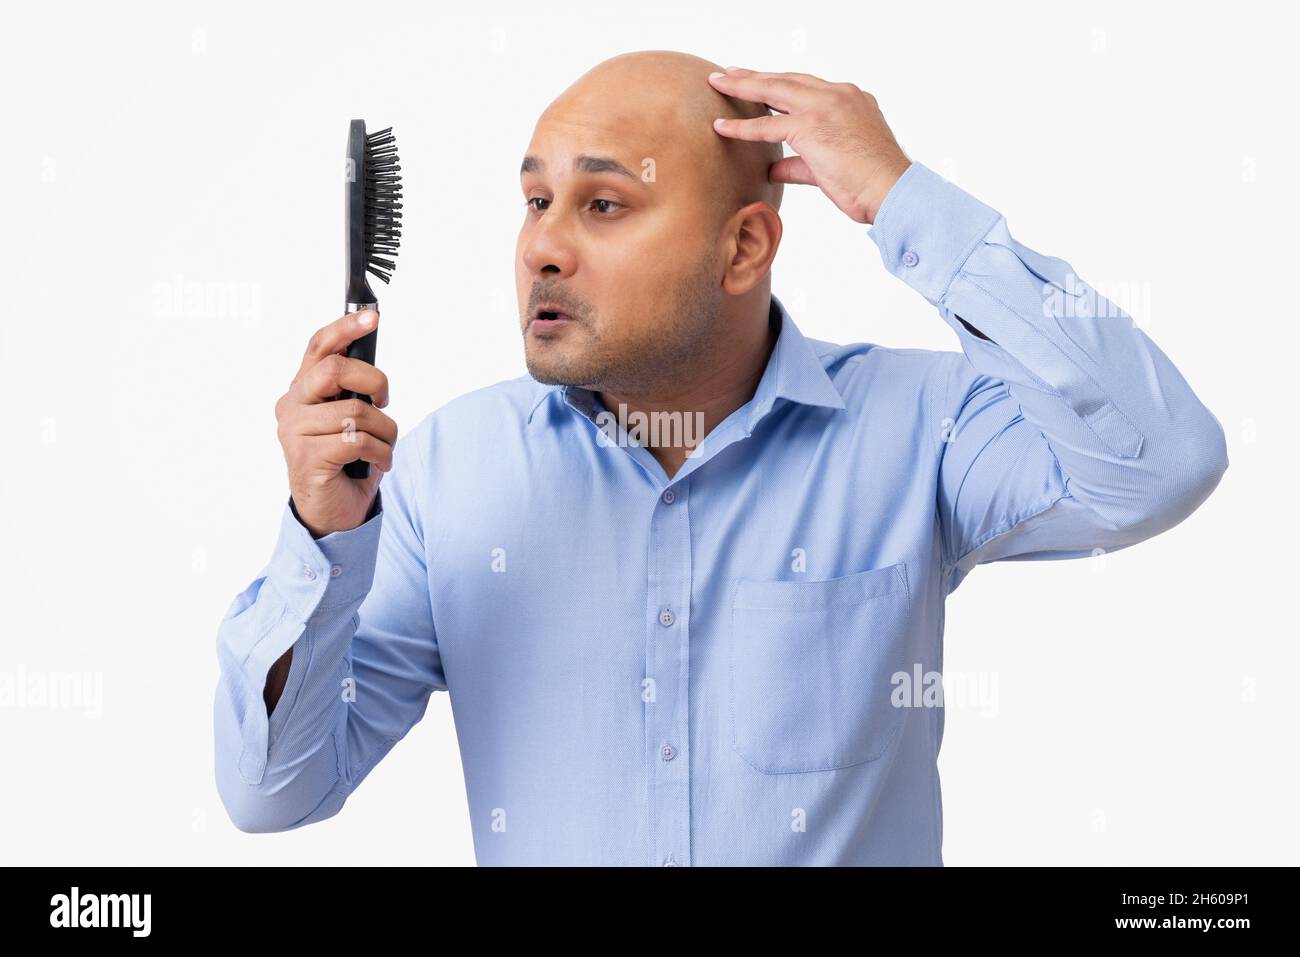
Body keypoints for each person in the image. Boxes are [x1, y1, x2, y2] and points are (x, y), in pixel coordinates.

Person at [213, 50, 1227, 865]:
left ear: (744, 248)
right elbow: (276, 793)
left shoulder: (919, 427)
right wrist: (320, 541)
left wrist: (904, 202)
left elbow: (1160, 464)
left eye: (602, 205)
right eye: (534, 203)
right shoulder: (449, 473)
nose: (541, 250)